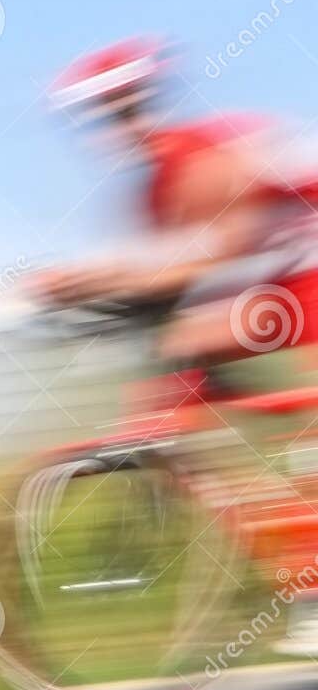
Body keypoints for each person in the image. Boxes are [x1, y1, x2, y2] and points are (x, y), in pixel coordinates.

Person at [33, 36, 318, 652]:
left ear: (150, 101)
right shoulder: (151, 189)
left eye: (127, 108)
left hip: (303, 258)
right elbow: (164, 274)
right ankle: (292, 539)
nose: (119, 127)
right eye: (107, 116)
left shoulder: (201, 155)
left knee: (215, 348)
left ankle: (308, 568)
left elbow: (215, 254)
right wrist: (83, 289)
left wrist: (101, 278)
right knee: (177, 382)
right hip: (282, 267)